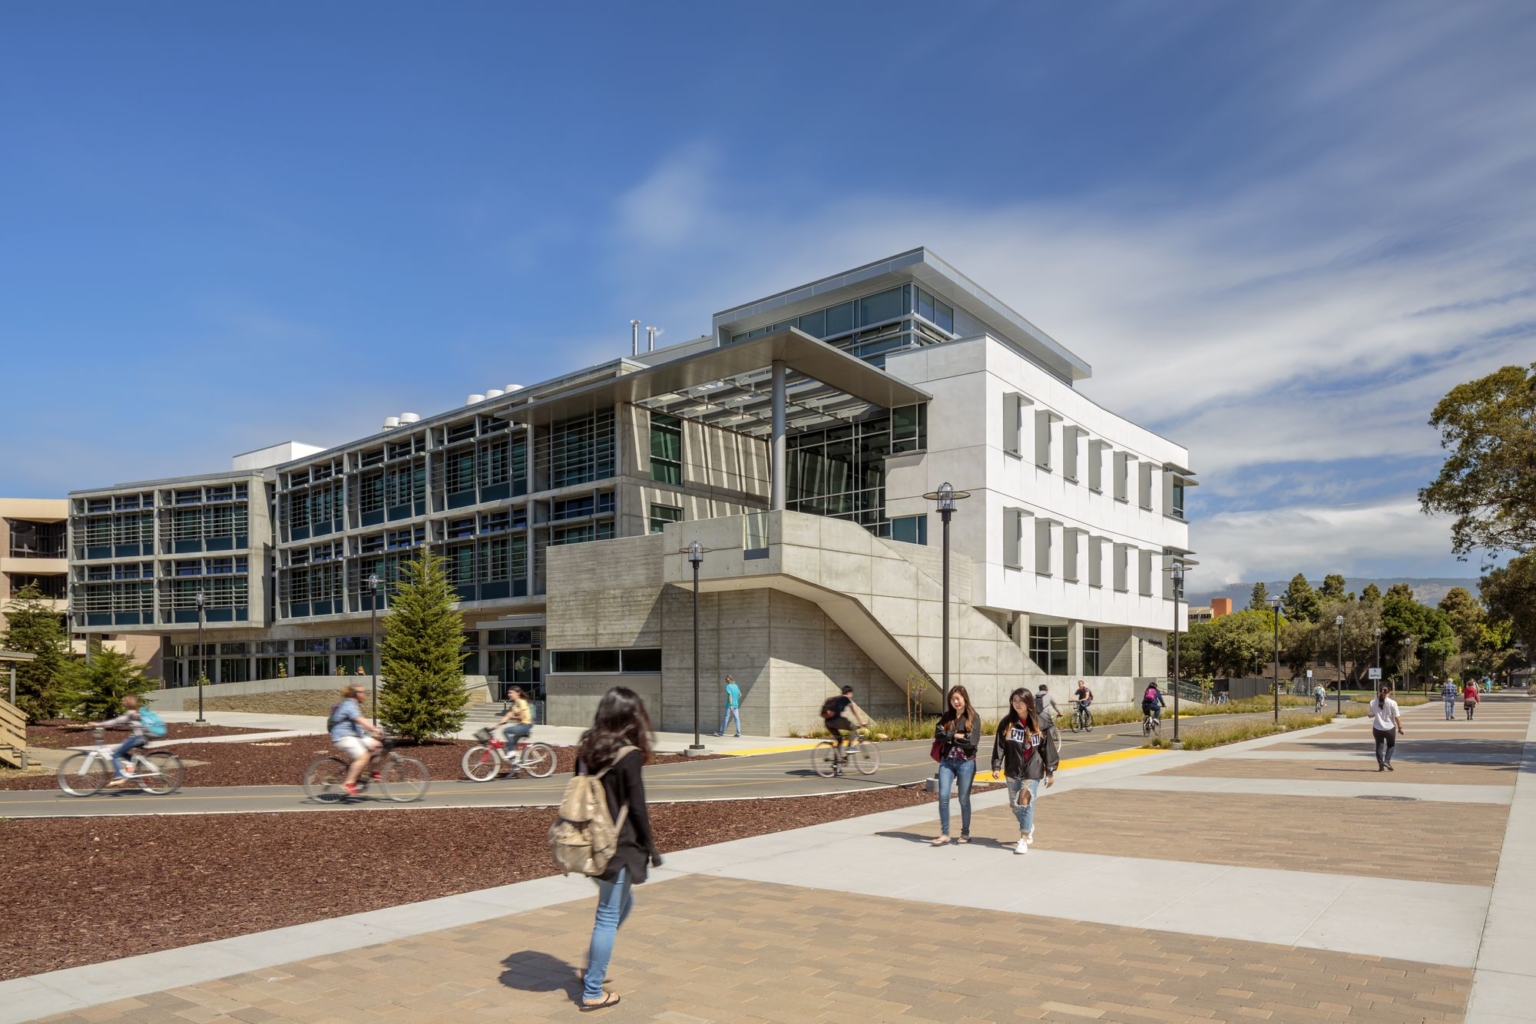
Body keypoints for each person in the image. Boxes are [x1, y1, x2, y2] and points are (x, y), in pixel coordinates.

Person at [576, 687, 661, 1011]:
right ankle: (593, 989)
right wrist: (651, 848)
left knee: (620, 906)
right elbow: (637, 808)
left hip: (588, 844)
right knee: (608, 916)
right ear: (630, 716)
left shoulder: (587, 747)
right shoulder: (628, 754)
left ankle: (590, 968)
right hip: (617, 846)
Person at [992, 688, 1045, 854]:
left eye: (1020, 701)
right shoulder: (1007, 723)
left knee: (1025, 800)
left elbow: (1047, 748)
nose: (1017, 704)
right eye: (1014, 701)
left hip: (1033, 768)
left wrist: (1050, 770)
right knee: (1015, 805)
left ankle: (1023, 839)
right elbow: (1000, 746)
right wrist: (996, 765)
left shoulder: (1039, 722)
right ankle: (1028, 825)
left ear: (1028, 702)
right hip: (1013, 768)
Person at [931, 686, 981, 846]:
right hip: (947, 761)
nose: (955, 702)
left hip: (966, 762)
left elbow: (971, 742)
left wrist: (949, 738)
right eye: (952, 699)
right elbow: (937, 735)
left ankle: (965, 833)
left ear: (965, 698)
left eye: (958, 698)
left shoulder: (973, 717)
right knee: (943, 796)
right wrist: (954, 735)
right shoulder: (947, 717)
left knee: (963, 799)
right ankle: (945, 834)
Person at [330, 684, 384, 796]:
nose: (364, 695)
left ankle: (373, 771)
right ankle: (348, 784)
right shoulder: (349, 705)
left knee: (377, 745)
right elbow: (360, 720)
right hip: (343, 737)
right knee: (364, 756)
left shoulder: (353, 704)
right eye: (362, 692)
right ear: (355, 694)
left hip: (355, 736)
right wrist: (374, 729)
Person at [93, 694, 147, 787]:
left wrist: (98, 724)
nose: (122, 702)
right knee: (116, 750)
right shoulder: (135, 712)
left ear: (128, 703)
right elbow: (122, 723)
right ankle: (135, 762)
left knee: (114, 755)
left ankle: (119, 776)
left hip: (137, 738)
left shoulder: (130, 713)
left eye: (124, 701)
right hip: (140, 737)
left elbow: (116, 721)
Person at [821, 685, 868, 762]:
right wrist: (862, 722)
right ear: (849, 693)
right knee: (853, 727)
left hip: (828, 722)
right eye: (851, 694)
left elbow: (838, 711)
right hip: (837, 721)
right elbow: (855, 711)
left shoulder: (834, 699)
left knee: (839, 740)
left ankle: (836, 763)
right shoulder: (846, 699)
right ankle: (850, 748)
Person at [1368, 684, 1405, 771]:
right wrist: (1400, 728)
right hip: (1390, 728)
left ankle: (1381, 765)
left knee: (1379, 746)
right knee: (1391, 745)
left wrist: (1376, 713)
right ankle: (1387, 761)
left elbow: (1370, 715)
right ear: (1389, 692)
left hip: (1377, 728)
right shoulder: (1392, 703)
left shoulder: (1373, 702)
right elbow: (1397, 716)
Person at [1033, 682, 1061, 785]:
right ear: (1047, 689)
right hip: (1045, 715)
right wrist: (1059, 712)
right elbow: (1055, 705)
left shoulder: (1034, 695)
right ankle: (1049, 738)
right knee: (1051, 726)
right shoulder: (1049, 696)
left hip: (1035, 715)